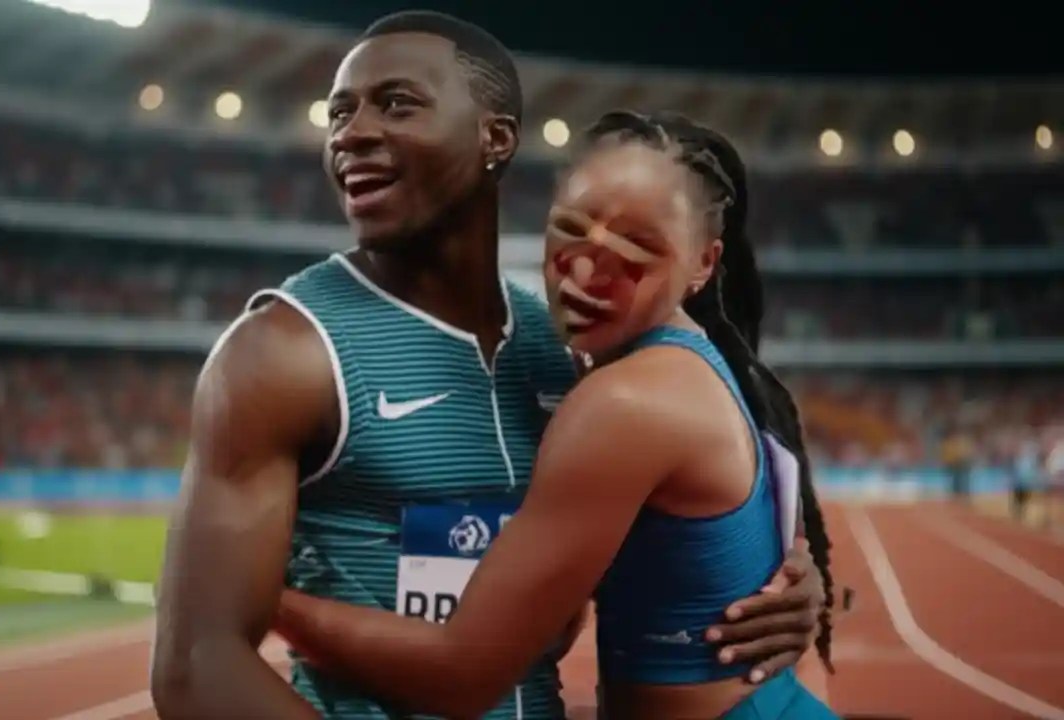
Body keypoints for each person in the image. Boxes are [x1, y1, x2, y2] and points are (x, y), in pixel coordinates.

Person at [150, 11, 830, 719]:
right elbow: (198, 669)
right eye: (338, 112)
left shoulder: (561, 352)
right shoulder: (282, 352)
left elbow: (619, 571)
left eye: (397, 103)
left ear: (495, 138)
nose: (350, 133)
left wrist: (777, 583)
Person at [271, 110, 837, 720]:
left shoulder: (626, 403)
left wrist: (263, 598)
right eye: (570, 230)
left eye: (637, 251)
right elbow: (563, 621)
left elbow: (462, 674)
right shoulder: (678, 364)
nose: (585, 275)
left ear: (703, 264)